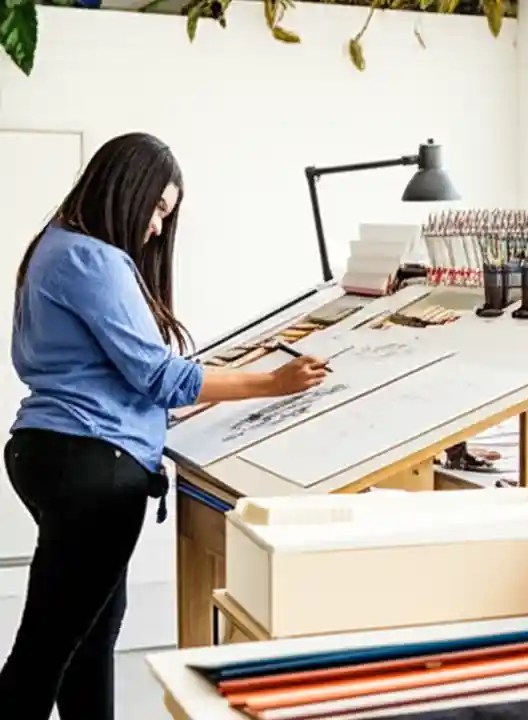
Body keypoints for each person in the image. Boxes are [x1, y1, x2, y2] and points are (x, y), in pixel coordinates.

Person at [0, 132, 329, 720]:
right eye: (156, 208)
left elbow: (116, 376)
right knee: (45, 653)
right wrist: (271, 382)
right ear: (126, 189)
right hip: (93, 470)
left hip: (53, 454)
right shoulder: (92, 257)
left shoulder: (52, 247)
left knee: (88, 640)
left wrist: (205, 384)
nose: (156, 228)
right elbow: (159, 377)